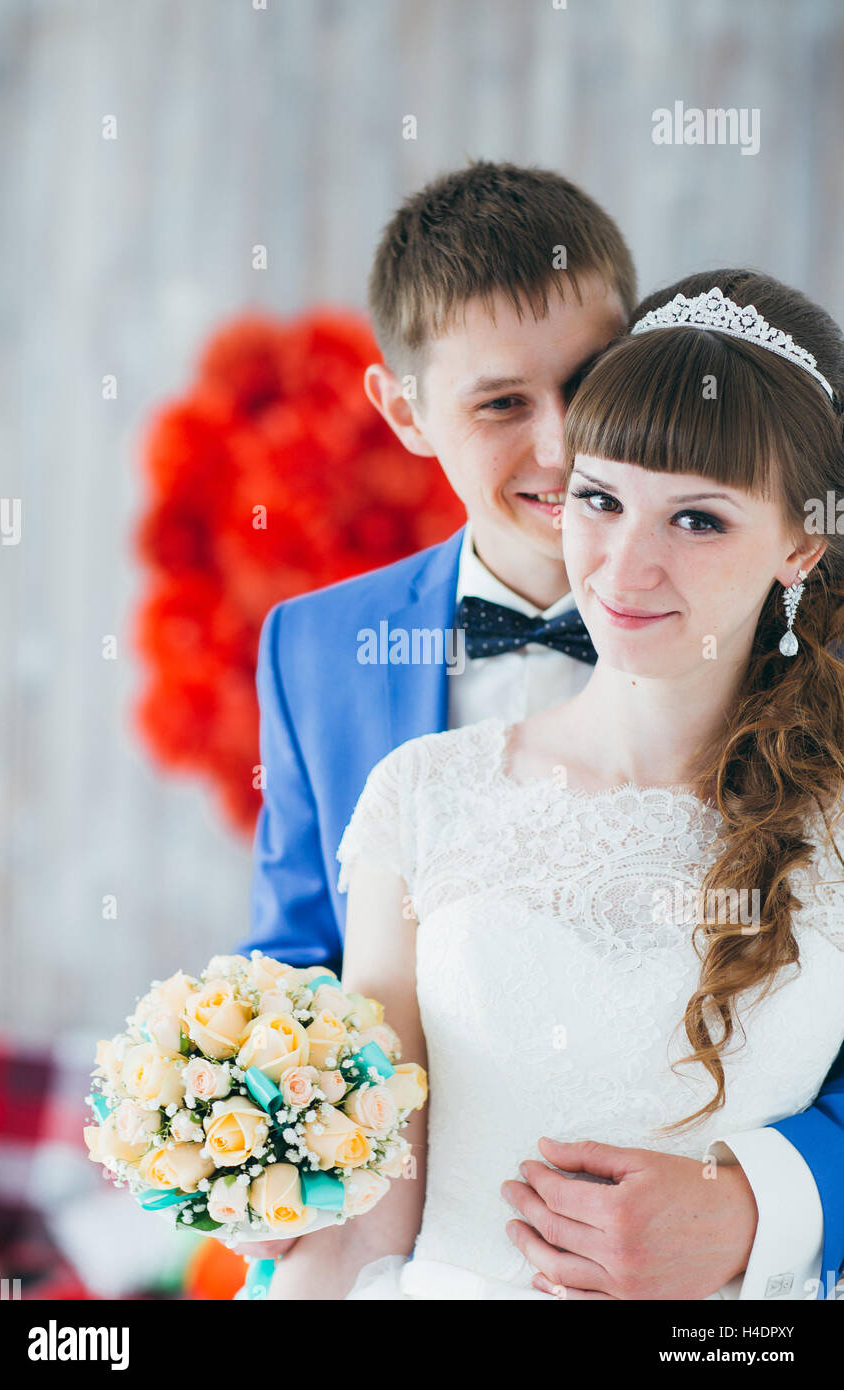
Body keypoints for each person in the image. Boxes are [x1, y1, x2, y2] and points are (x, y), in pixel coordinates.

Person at [236, 162, 844, 1298]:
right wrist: (267, 1162)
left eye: (587, 383)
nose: (562, 454)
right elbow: (302, 976)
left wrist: (763, 1203)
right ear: (405, 412)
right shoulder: (361, 706)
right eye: (502, 402)